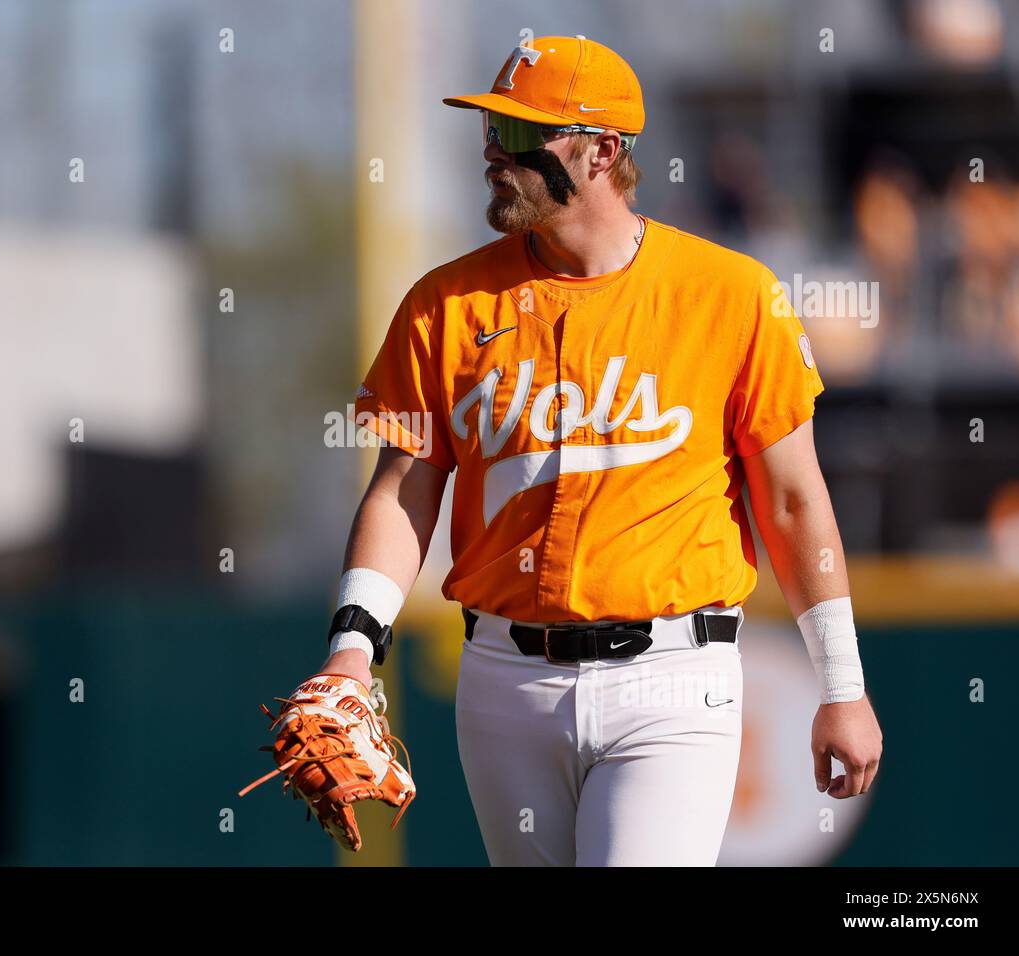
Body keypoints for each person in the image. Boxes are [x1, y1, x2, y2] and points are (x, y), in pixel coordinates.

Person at [298, 35, 881, 866]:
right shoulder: (447, 303)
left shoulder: (730, 295)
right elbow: (404, 489)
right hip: (504, 678)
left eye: (527, 135)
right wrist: (352, 650)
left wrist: (843, 686)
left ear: (604, 150)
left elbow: (792, 500)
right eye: (492, 131)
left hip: (673, 679)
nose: (499, 154)